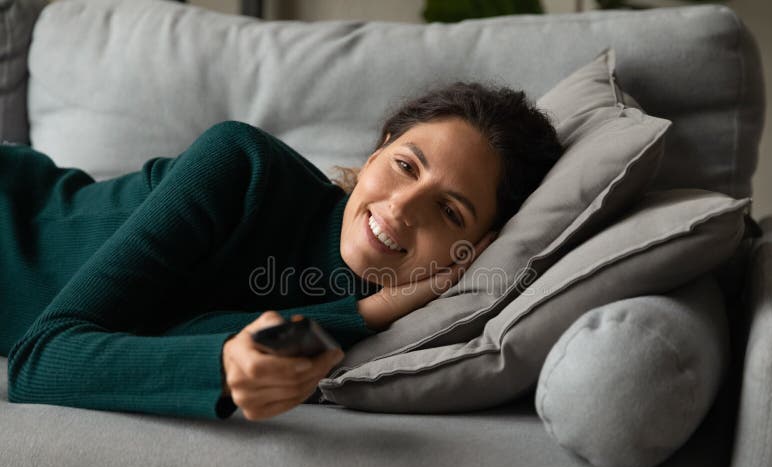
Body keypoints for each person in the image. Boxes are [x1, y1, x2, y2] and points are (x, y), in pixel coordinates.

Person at [1, 82, 562, 421]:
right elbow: (42, 358)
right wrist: (221, 366)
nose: (402, 207)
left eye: (450, 211)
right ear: (376, 152)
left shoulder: (376, 316)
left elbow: (170, 328)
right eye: (405, 165)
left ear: (479, 248)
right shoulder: (241, 165)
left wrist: (374, 312)